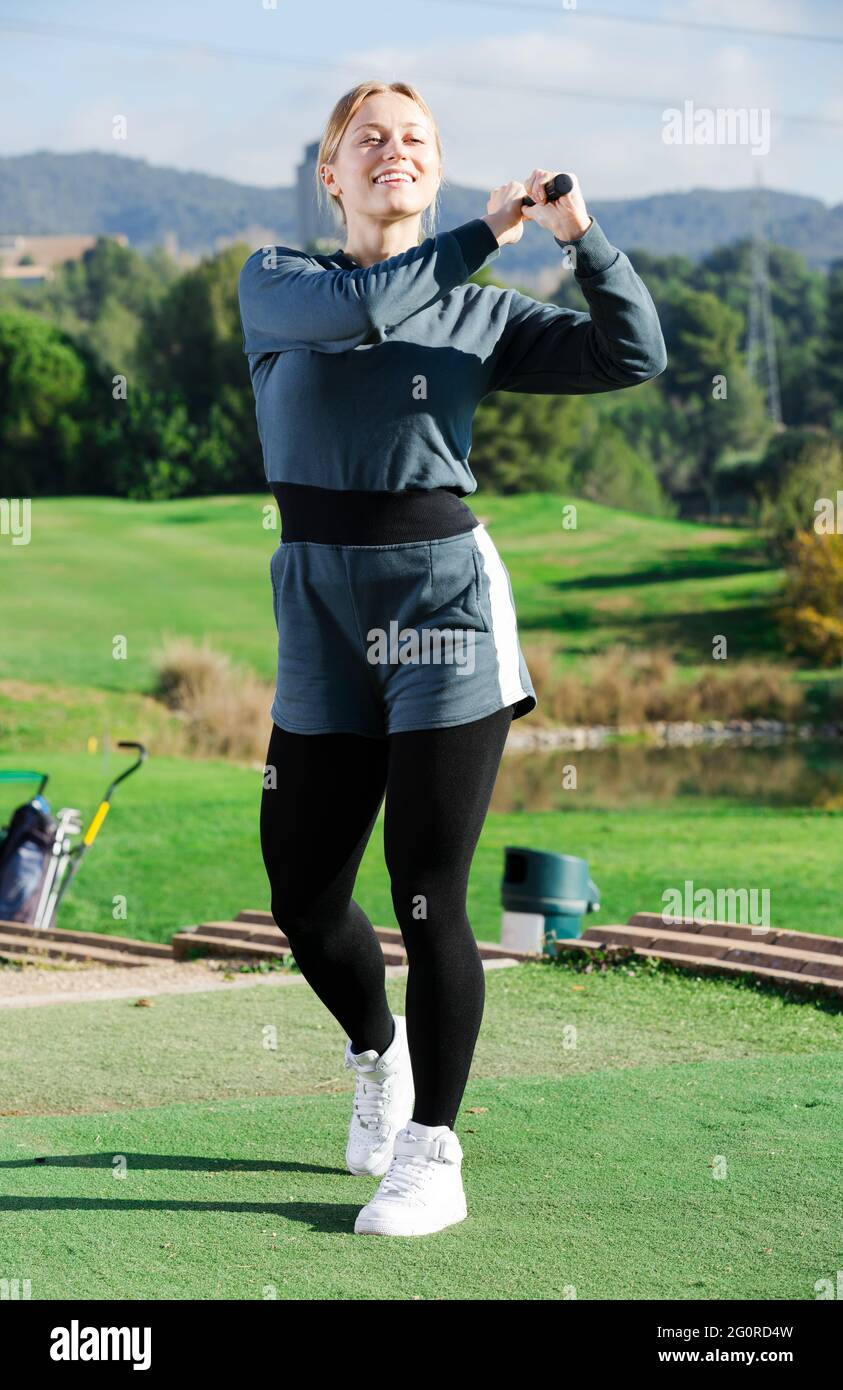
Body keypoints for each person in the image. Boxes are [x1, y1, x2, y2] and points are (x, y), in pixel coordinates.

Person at [238, 79, 666, 1238]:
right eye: (366, 139)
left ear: (431, 168)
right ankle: (380, 1057)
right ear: (330, 174)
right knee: (301, 891)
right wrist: (485, 232)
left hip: (445, 606)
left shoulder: (481, 314)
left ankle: (435, 1151)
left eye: (414, 139)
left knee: (427, 889)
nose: (393, 151)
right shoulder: (281, 284)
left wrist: (580, 239)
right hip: (319, 607)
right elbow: (359, 315)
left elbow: (634, 352)